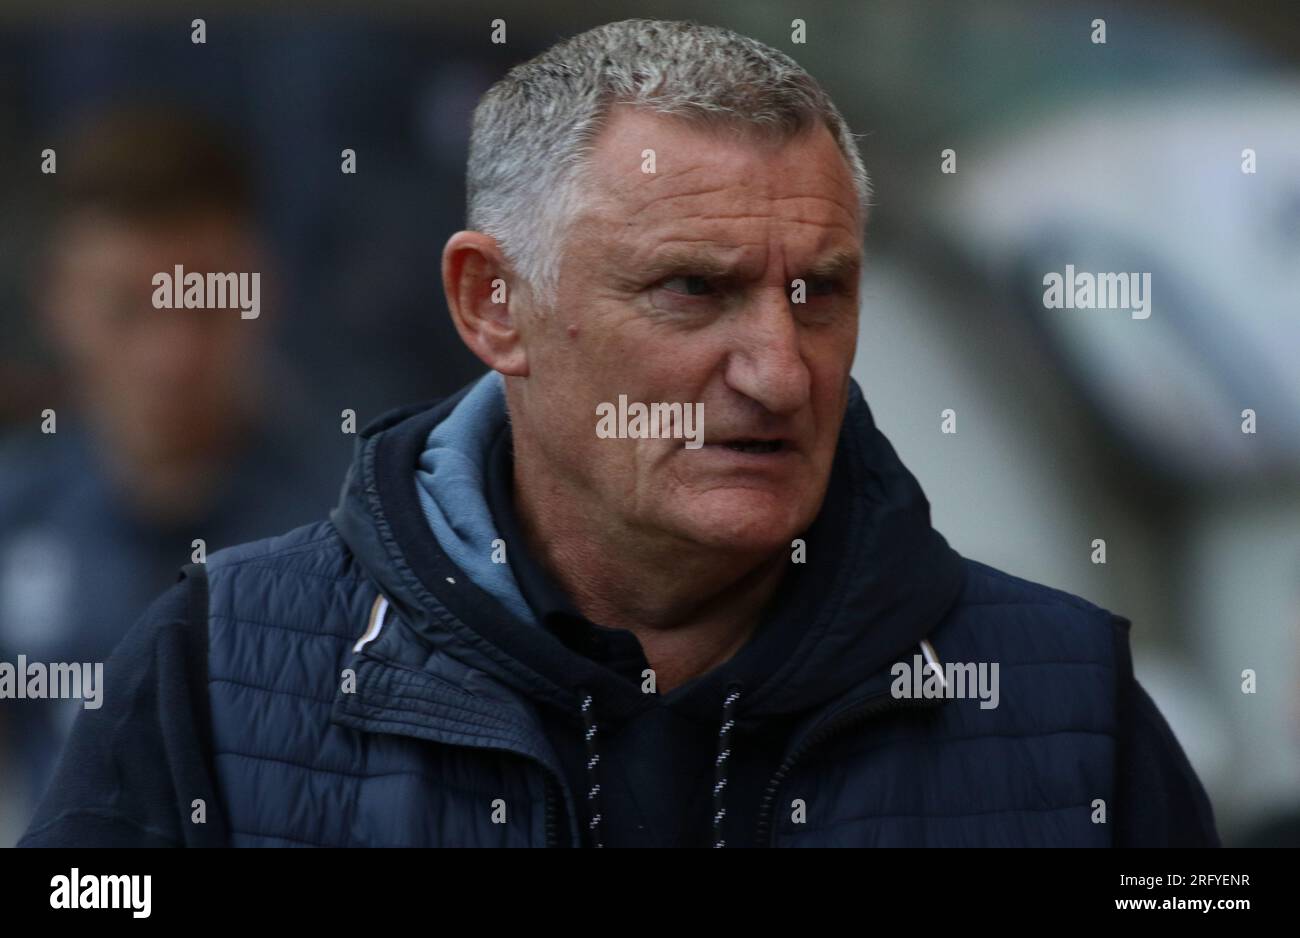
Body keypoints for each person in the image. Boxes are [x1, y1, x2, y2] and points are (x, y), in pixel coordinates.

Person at [19, 20, 1218, 848]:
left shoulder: (1071, 709)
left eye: (819, 290)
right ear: (496, 304)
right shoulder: (211, 673)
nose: (776, 369)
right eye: (690, 289)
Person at [0, 105, 339, 829]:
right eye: (128, 308)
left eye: (204, 300)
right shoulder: (12, 515)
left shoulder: (354, 529)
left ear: (261, 289)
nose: (171, 355)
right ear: (57, 303)